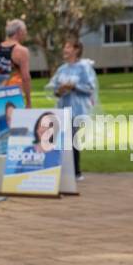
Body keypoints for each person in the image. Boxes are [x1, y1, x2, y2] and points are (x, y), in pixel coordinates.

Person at [46, 36, 97, 179]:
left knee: (72, 138)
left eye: (68, 47)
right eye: (65, 46)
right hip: (62, 109)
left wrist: (74, 86)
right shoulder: (62, 69)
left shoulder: (84, 68)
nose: (65, 49)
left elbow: (90, 88)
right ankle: (62, 170)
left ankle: (76, 172)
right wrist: (58, 91)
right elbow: (52, 88)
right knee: (61, 139)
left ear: (77, 50)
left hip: (78, 110)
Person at [0, 18, 32, 107]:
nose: (26, 34)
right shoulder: (22, 51)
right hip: (13, 97)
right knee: (14, 121)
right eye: (25, 31)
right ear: (19, 31)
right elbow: (26, 77)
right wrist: (28, 101)